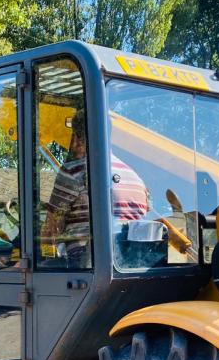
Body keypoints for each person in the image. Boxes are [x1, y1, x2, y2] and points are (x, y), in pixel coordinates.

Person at [40, 109, 149, 267]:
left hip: (84, 268)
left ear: (76, 137)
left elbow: (52, 227)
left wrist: (42, 255)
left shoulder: (74, 171)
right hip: (129, 263)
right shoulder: (135, 177)